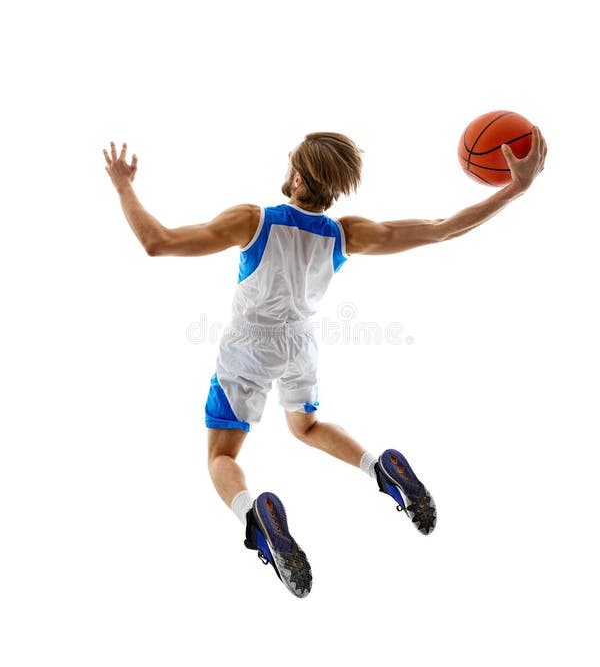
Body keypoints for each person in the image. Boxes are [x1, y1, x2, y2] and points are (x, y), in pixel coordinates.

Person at [103, 128, 547, 598]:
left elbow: (158, 241)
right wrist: (515, 189)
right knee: (306, 426)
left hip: (248, 347)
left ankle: (254, 518)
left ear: (297, 177)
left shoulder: (253, 220)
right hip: (300, 344)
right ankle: (379, 470)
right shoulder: (345, 233)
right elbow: (442, 227)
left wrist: (123, 186)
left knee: (222, 456)